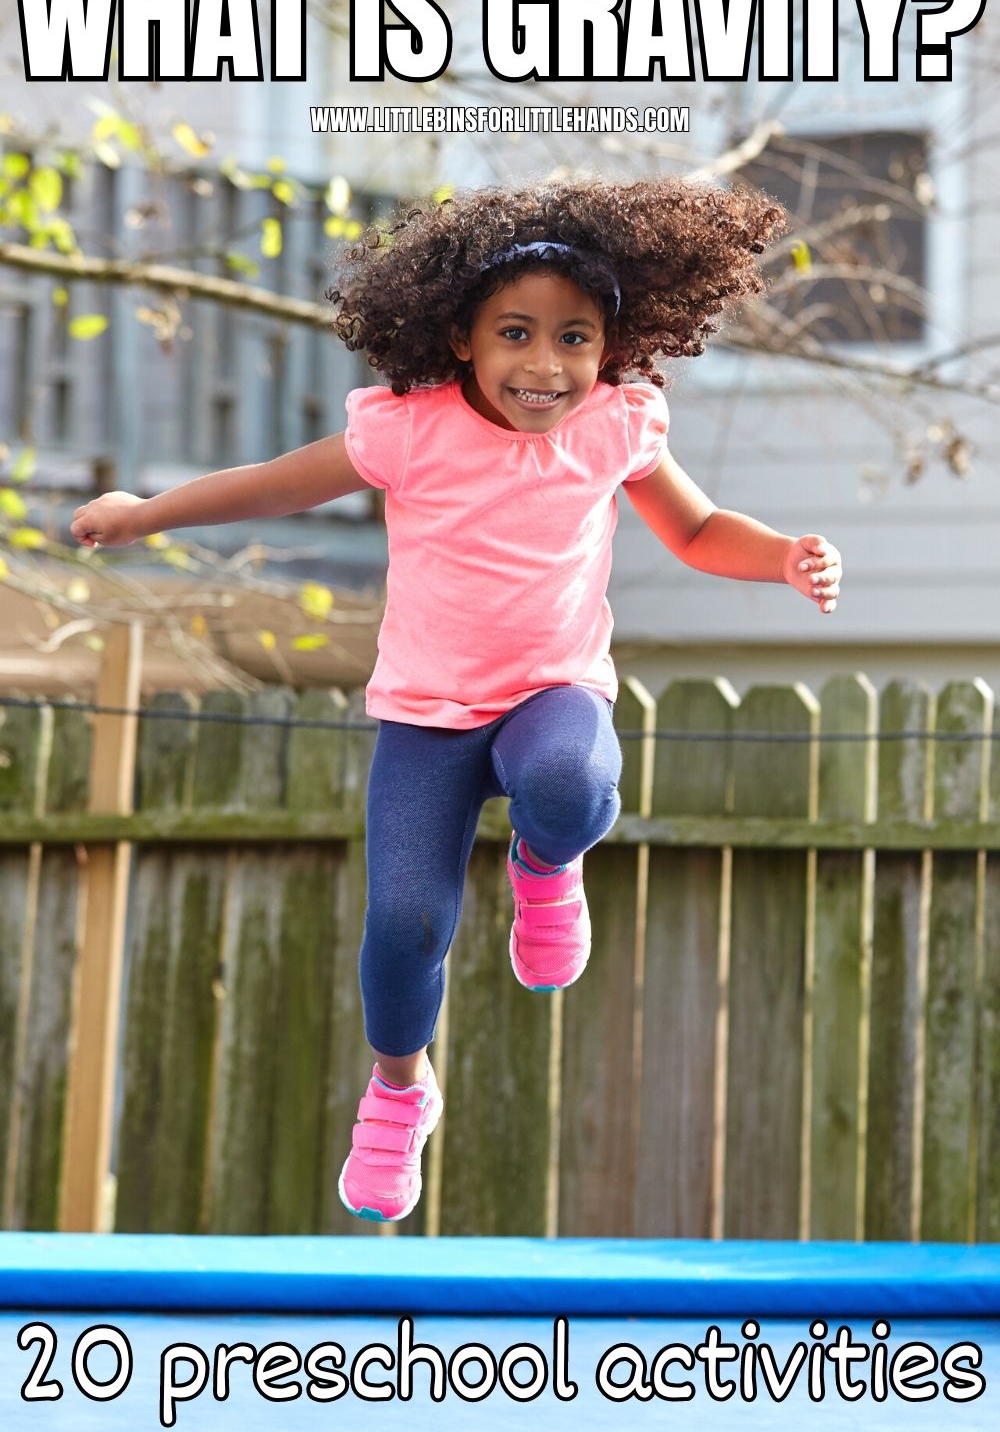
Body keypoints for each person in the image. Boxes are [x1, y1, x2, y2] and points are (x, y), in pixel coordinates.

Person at [71, 177, 843, 1225]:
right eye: (515, 334)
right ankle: (398, 1089)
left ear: (607, 347)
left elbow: (700, 533)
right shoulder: (410, 430)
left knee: (569, 782)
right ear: (463, 338)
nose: (545, 365)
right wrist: (147, 514)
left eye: (574, 339)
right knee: (403, 922)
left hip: (548, 691)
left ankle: (542, 863)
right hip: (426, 718)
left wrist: (786, 558)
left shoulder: (618, 425)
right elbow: (280, 484)